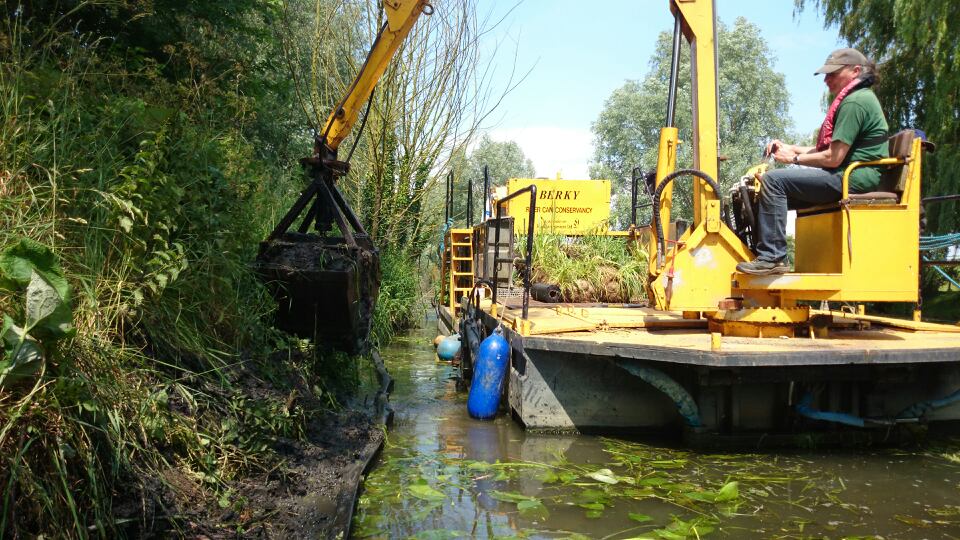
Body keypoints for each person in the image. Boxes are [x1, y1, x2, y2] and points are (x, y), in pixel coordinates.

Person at [736, 48, 889, 275]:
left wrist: (794, 159)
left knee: (773, 182)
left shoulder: (856, 102)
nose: (827, 79)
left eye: (833, 73)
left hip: (853, 177)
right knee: (762, 195)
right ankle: (763, 257)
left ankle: (773, 258)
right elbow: (829, 149)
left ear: (856, 71)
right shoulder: (856, 98)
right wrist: (790, 148)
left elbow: (833, 157)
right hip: (846, 173)